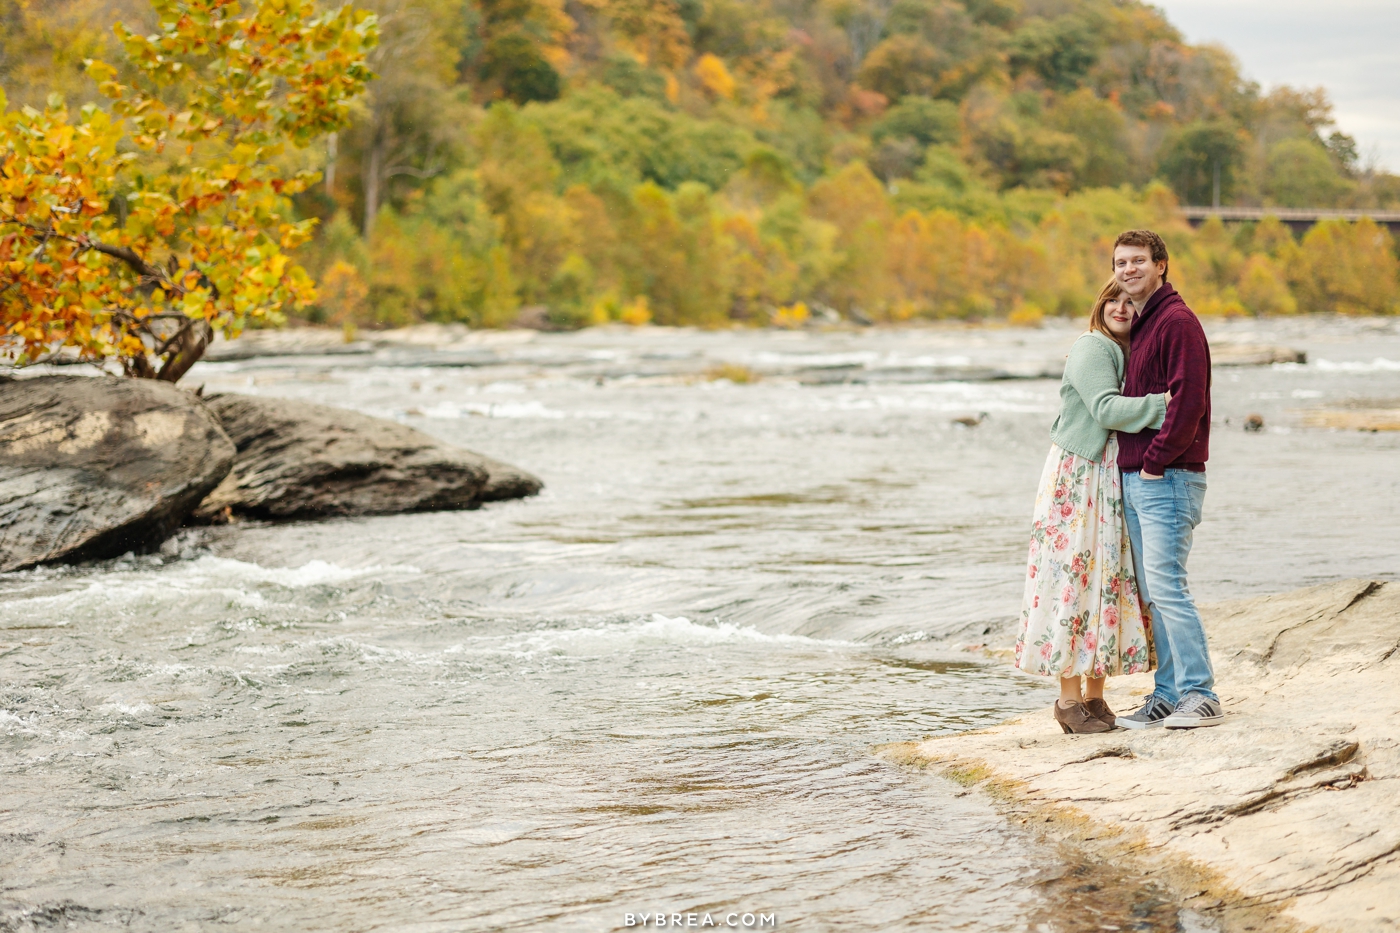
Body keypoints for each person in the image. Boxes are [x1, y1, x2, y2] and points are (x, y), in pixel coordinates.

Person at [1015, 278, 1170, 734]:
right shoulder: (1092, 346)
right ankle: (1067, 700)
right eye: (1112, 299)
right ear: (1100, 304)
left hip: (1108, 474)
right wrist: (1166, 406)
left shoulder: (1127, 351)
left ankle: (1096, 698)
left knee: (1107, 579)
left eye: (1130, 301)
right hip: (1078, 475)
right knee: (1074, 577)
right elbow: (1104, 409)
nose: (1121, 307)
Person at [1109, 229, 1222, 730]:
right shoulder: (1145, 323)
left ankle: (1202, 695)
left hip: (1168, 477)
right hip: (1141, 478)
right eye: (1119, 262)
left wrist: (1154, 462)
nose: (1127, 269)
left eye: (1137, 261)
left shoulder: (1176, 321)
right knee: (1155, 593)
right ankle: (1168, 695)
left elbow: (1189, 400)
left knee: (1169, 589)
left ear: (1161, 265)